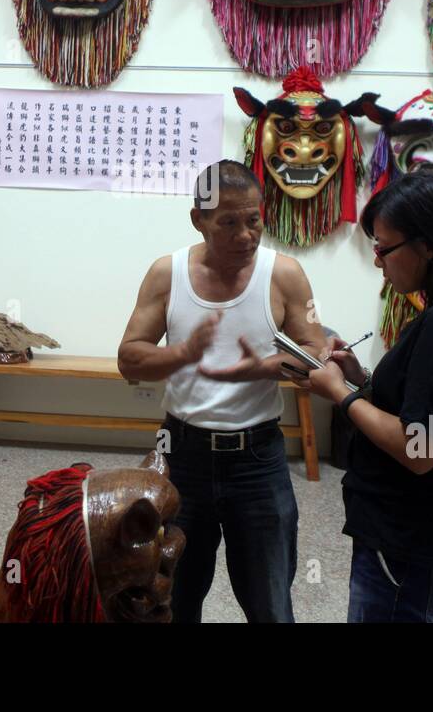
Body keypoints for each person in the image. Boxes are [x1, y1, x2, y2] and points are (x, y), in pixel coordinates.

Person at [117, 159, 327, 623]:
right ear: (199, 220)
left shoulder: (284, 274)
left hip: (258, 459)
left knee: (270, 602)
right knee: (170, 598)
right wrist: (183, 354)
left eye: (253, 220)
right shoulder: (166, 273)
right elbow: (129, 359)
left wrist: (266, 367)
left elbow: (318, 354)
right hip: (182, 453)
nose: (246, 236)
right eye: (228, 223)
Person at [296, 173, 433, 623]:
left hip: (411, 539)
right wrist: (362, 378)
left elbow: (422, 450)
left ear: (428, 244)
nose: (378, 263)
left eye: (383, 248)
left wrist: (340, 394)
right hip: (422, 535)